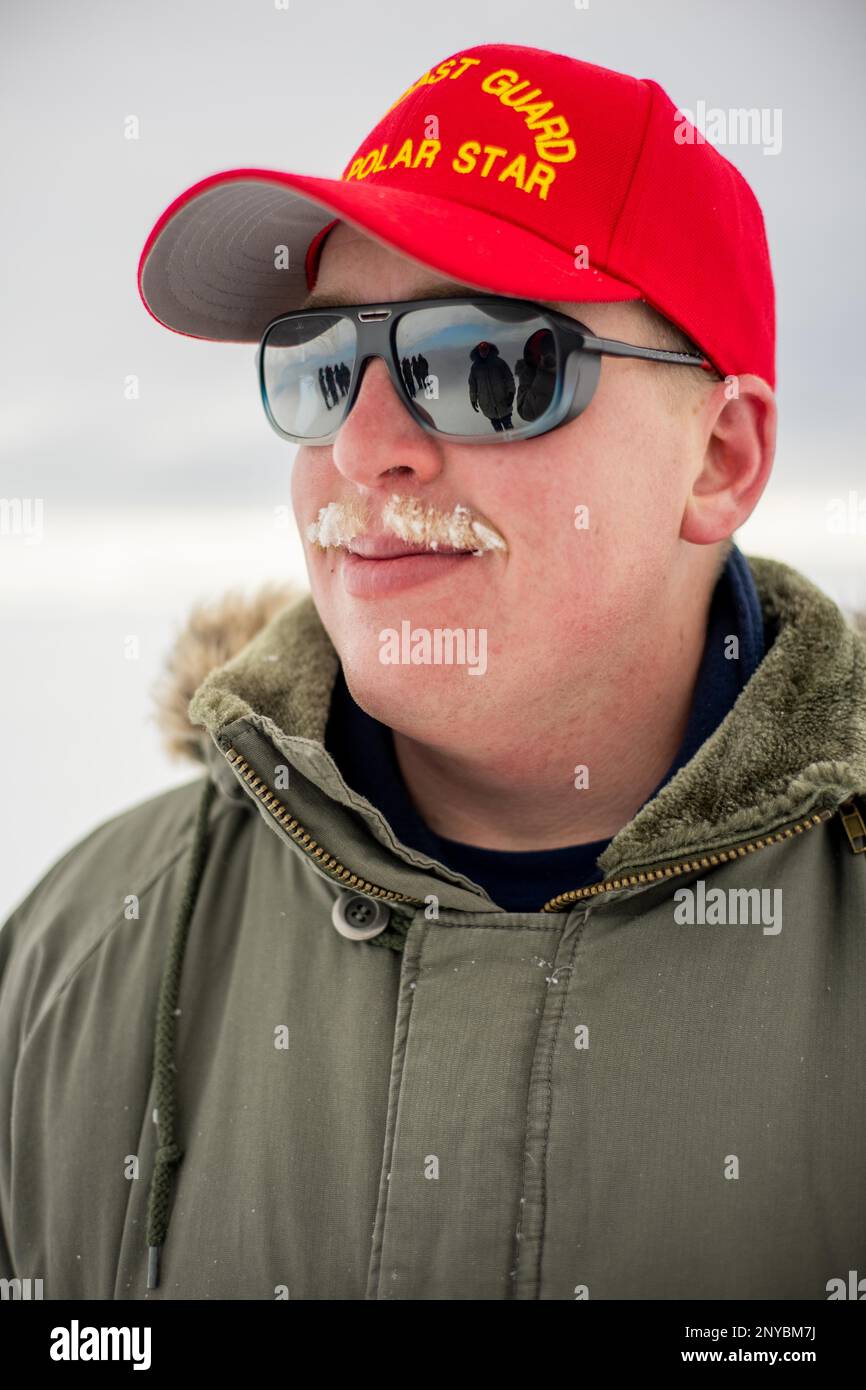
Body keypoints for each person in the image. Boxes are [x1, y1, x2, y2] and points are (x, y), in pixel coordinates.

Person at [2, 42, 865, 1303]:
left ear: (718, 458)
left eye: (485, 366)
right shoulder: (82, 955)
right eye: (320, 364)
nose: (362, 449)